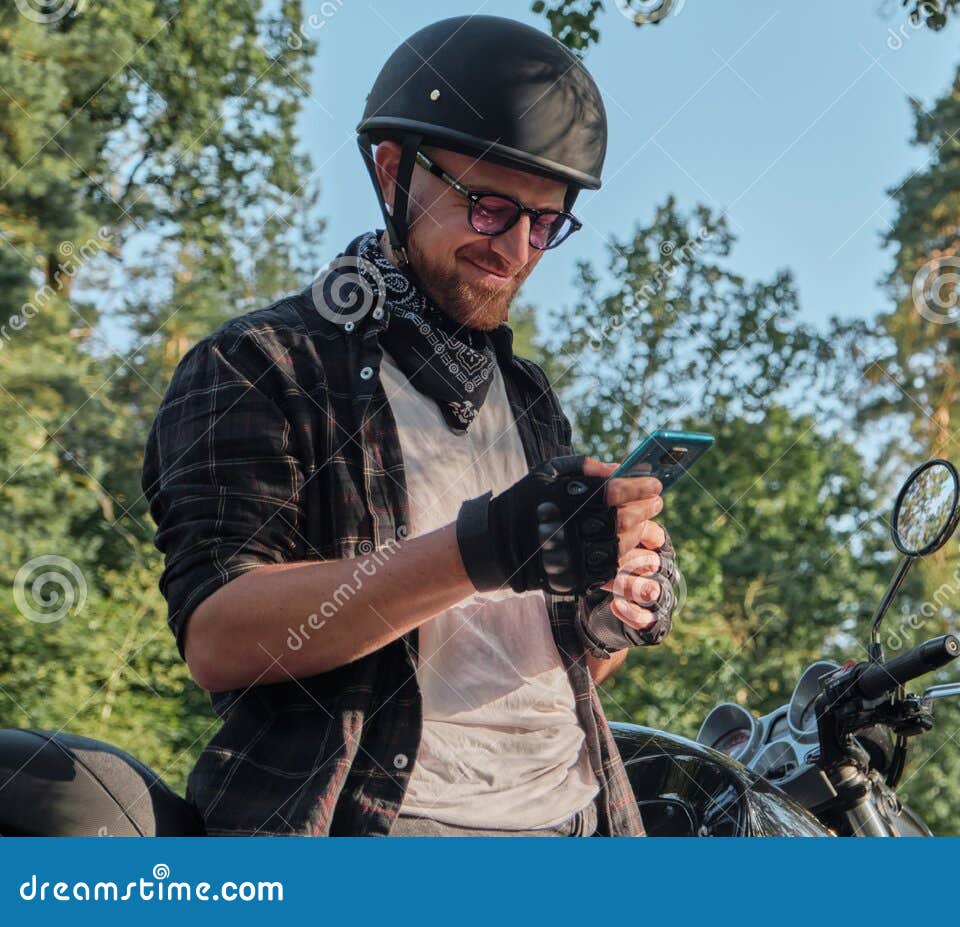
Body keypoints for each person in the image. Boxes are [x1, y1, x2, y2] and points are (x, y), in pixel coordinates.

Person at [139, 15, 678, 837]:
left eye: (545, 224)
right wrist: (485, 545)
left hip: (581, 817)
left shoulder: (526, 396)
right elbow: (219, 635)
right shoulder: (263, 364)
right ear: (392, 169)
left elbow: (548, 670)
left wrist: (609, 611)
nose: (517, 251)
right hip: (383, 826)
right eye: (491, 207)